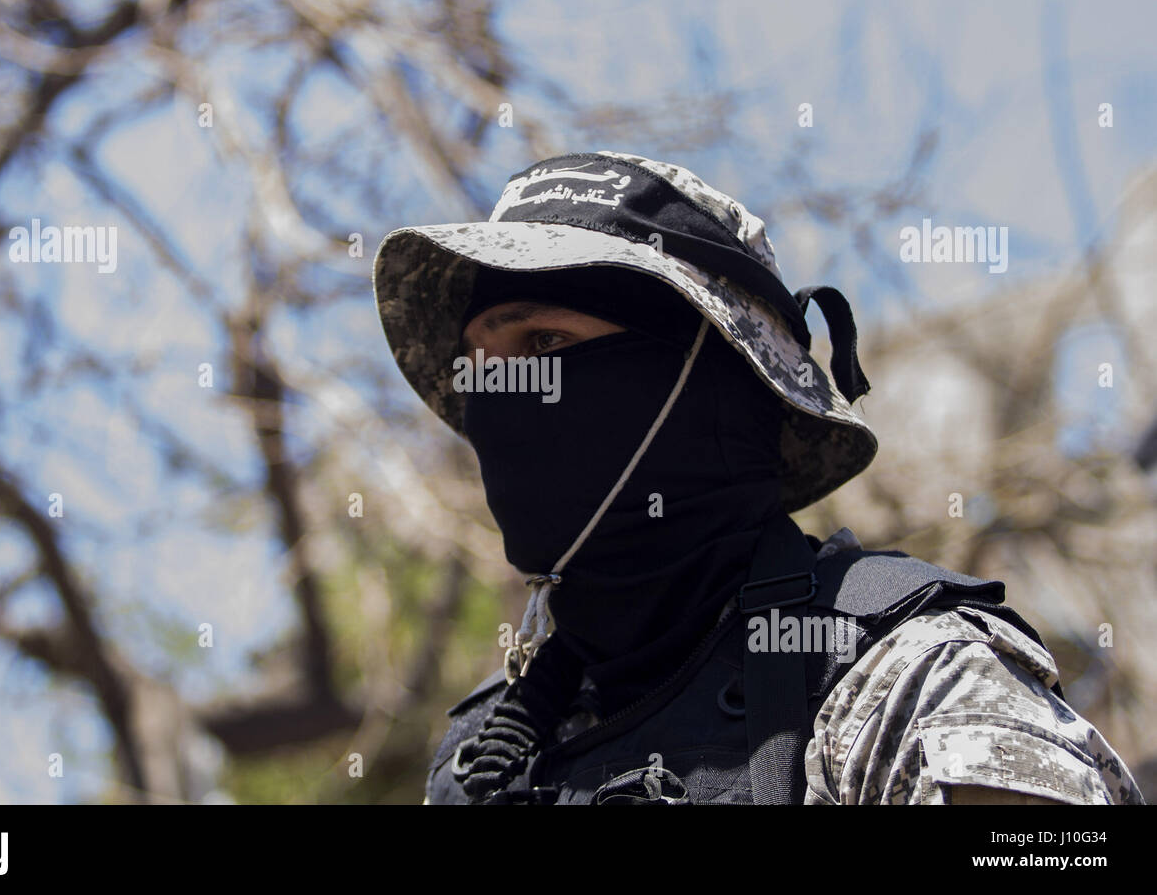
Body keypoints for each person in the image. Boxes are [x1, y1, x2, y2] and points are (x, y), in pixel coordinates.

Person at [371, 150, 1145, 805]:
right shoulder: (481, 758)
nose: (499, 399)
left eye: (543, 341)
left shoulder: (904, 677)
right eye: (480, 365)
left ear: (699, 381)